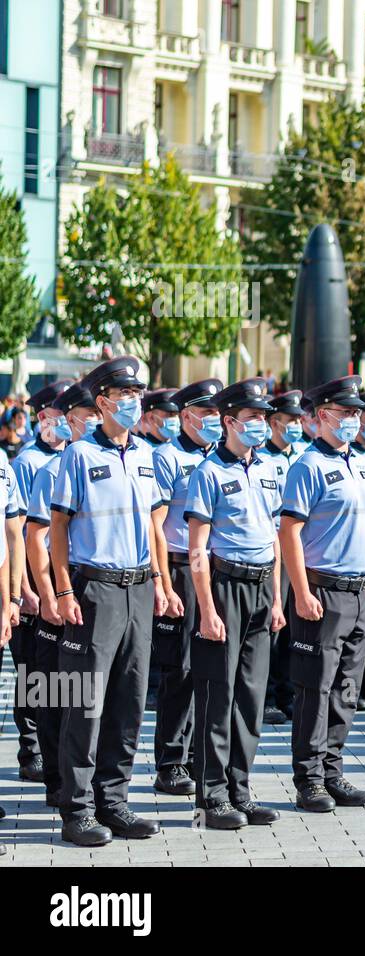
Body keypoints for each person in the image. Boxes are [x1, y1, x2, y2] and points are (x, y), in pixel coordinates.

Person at [49, 356, 168, 846]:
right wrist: (63, 589)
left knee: (130, 701)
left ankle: (113, 801)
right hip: (95, 589)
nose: (133, 401)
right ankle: (76, 809)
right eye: (124, 394)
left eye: (137, 393)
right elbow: (57, 528)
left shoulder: (145, 454)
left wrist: (161, 582)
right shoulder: (79, 454)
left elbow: (154, 526)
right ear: (102, 402)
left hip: (138, 587)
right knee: (85, 702)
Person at [185, 379, 284, 829]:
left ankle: (240, 790)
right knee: (217, 693)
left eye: (264, 417)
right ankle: (213, 796)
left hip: (262, 588)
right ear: (229, 422)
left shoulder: (268, 469)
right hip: (225, 588)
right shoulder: (208, 473)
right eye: (253, 418)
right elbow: (197, 550)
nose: (260, 425)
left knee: (250, 695)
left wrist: (278, 597)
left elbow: (275, 537)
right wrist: (206, 609)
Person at [279, 376, 365, 813]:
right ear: (321, 416)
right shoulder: (308, 465)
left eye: (357, 413)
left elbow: (359, 530)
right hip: (323, 593)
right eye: (344, 413)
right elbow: (290, 533)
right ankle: (310, 779)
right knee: (314, 690)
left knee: (346, 691)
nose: (353, 420)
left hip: (357, 591)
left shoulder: (361, 462)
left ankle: (333, 772)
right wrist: (300, 591)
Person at [24, 383, 101, 813]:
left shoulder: (99, 460)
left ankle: (89, 783)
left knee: (87, 692)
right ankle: (56, 778)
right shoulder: (50, 469)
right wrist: (48, 595)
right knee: (53, 689)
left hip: (94, 591)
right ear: (69, 420)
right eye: (85, 415)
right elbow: (37, 538)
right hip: (59, 589)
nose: (92, 421)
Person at [151, 378, 224, 797]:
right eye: (207, 412)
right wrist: (163, 581)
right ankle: (170, 761)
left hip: (216, 571)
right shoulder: (167, 457)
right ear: (187, 416)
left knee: (210, 668)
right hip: (180, 568)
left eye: (218, 413)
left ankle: (201, 756)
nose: (214, 420)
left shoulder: (221, 457)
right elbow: (156, 527)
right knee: (178, 670)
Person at [8, 379, 74, 784]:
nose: (64, 422)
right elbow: (19, 532)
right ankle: (30, 747)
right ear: (42, 416)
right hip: (32, 579)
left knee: (58, 676)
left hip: (60, 574)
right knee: (31, 671)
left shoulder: (73, 457)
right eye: (57, 414)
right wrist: (26, 590)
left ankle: (55, 745)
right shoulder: (28, 462)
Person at [263, 389, 308, 725]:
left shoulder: (303, 456)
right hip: (276, 548)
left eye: (298, 419)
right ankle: (266, 695)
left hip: (303, 550)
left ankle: (288, 692)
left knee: (297, 627)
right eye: (289, 420)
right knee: (273, 625)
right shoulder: (264, 459)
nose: (295, 425)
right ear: (274, 423)